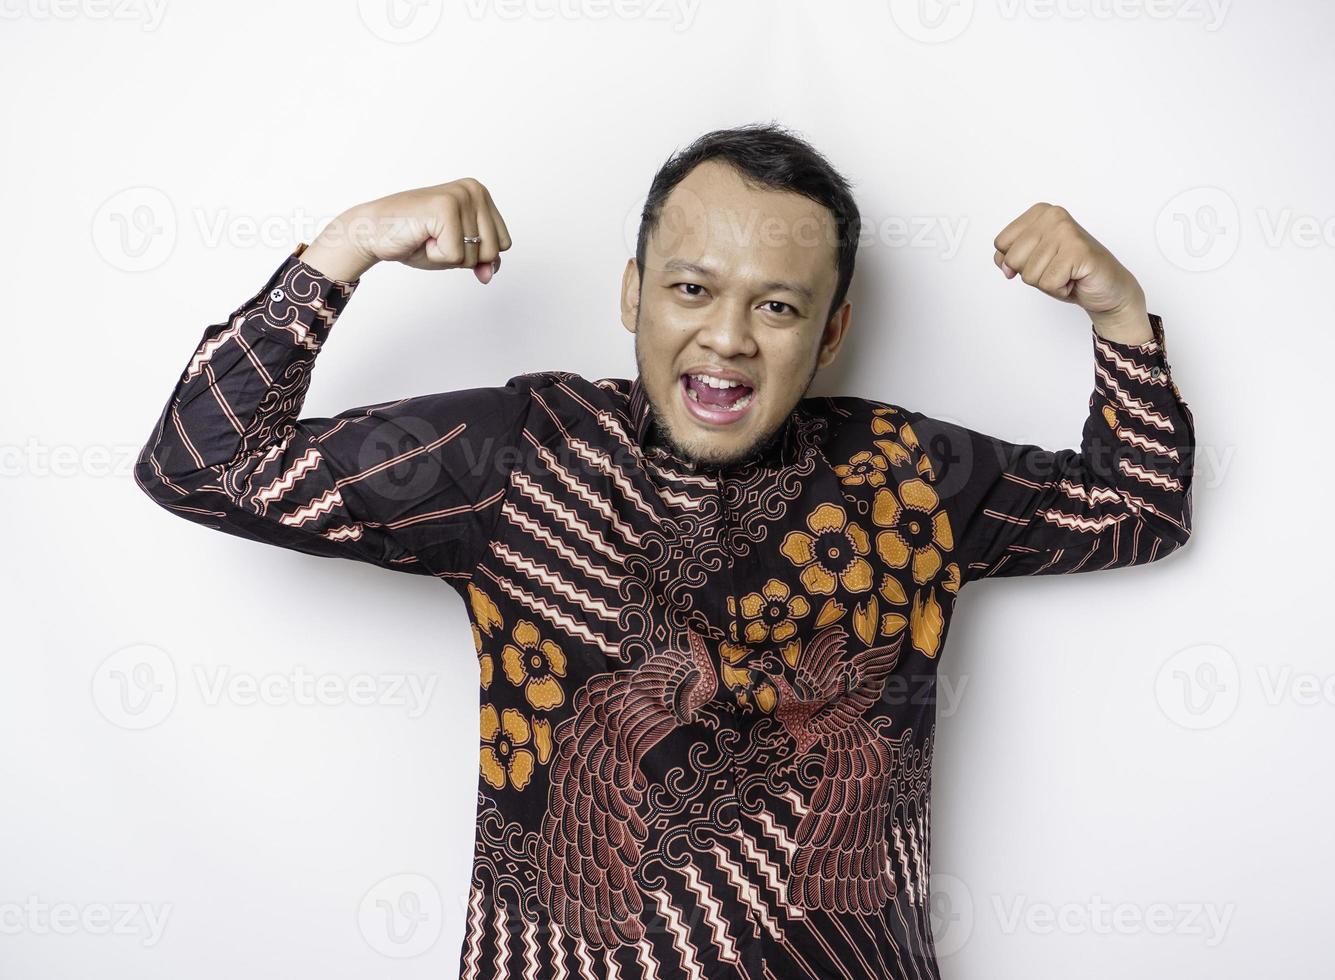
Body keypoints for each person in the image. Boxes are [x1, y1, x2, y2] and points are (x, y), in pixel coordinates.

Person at [134, 122, 1195, 979]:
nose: (729, 335)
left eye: (777, 307)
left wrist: (1119, 313)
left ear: (830, 335)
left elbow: (1140, 506)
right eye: (692, 289)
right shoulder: (521, 454)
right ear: (634, 293)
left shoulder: (906, 473)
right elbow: (200, 463)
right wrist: (349, 242)